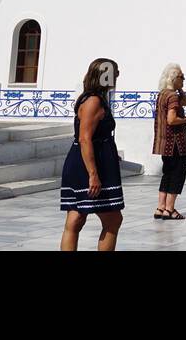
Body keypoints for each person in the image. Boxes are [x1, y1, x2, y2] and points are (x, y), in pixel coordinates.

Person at [60, 58, 125, 251]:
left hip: (92, 161)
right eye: (115, 72)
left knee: (76, 218)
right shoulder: (94, 101)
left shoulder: (94, 98)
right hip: (87, 165)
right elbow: (85, 139)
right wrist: (93, 174)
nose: (118, 75)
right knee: (113, 219)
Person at [152, 63, 186, 220]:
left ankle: (160, 207)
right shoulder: (172, 97)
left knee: (167, 174)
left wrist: (179, 88)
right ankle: (169, 209)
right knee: (177, 174)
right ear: (174, 78)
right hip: (175, 143)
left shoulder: (164, 94)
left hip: (164, 143)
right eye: (181, 77)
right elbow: (171, 119)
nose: (184, 79)